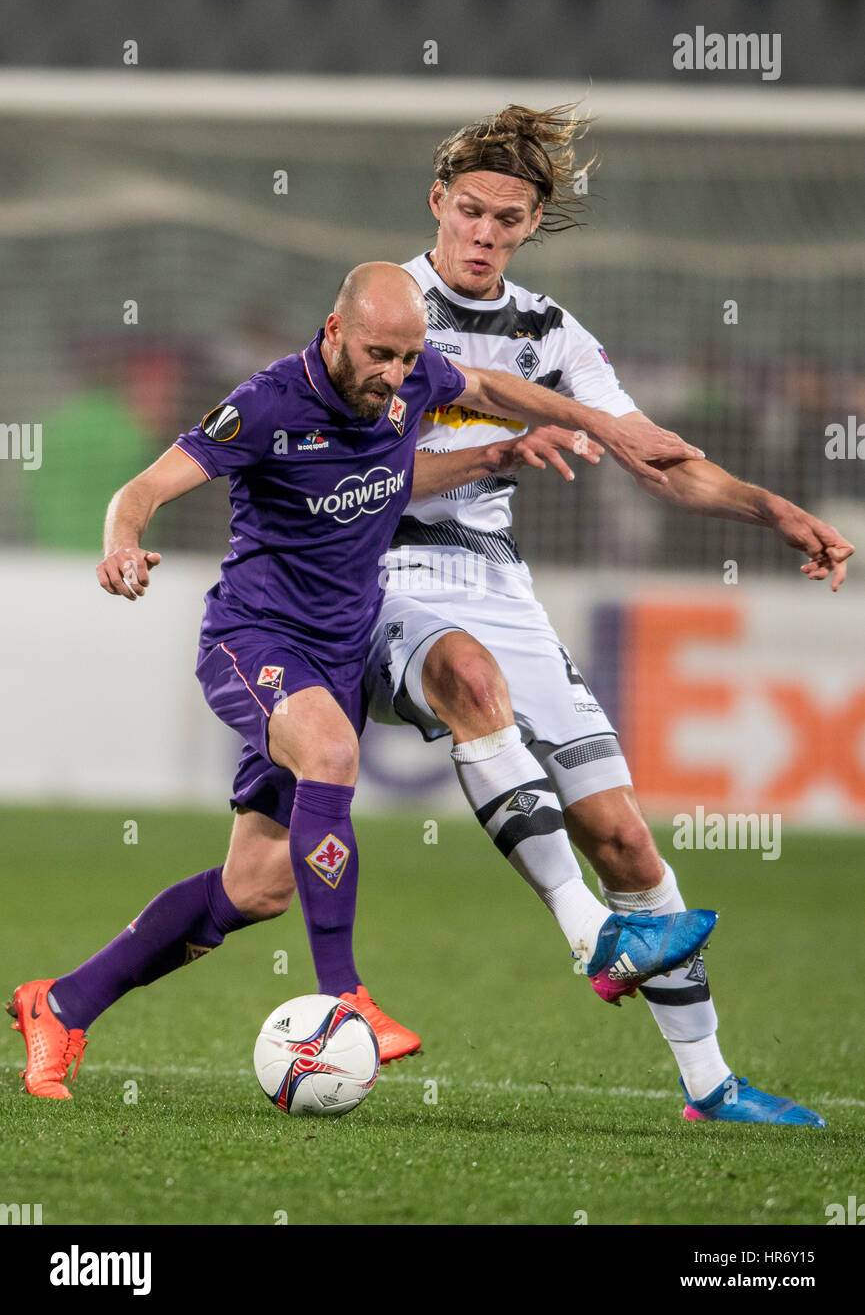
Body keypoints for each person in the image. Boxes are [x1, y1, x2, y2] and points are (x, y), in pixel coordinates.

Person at [7, 260, 716, 1099]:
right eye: (380, 354)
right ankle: (346, 996)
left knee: (258, 886)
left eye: (409, 358)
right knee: (334, 755)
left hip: (338, 653)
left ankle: (62, 1001)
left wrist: (532, 440)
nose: (396, 374)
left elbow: (421, 447)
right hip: (255, 637)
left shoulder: (408, 379)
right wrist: (121, 544)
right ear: (335, 332)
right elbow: (142, 488)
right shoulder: (267, 402)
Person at [362, 105, 854, 1126]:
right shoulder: (383, 305)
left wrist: (771, 510)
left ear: (531, 225)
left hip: (493, 578)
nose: (483, 231)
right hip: (372, 565)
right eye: (467, 210)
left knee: (625, 838)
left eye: (506, 216)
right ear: (435, 204)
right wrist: (500, 446)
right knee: (469, 684)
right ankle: (589, 936)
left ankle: (710, 1084)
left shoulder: (550, 333)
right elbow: (358, 475)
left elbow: (647, 449)